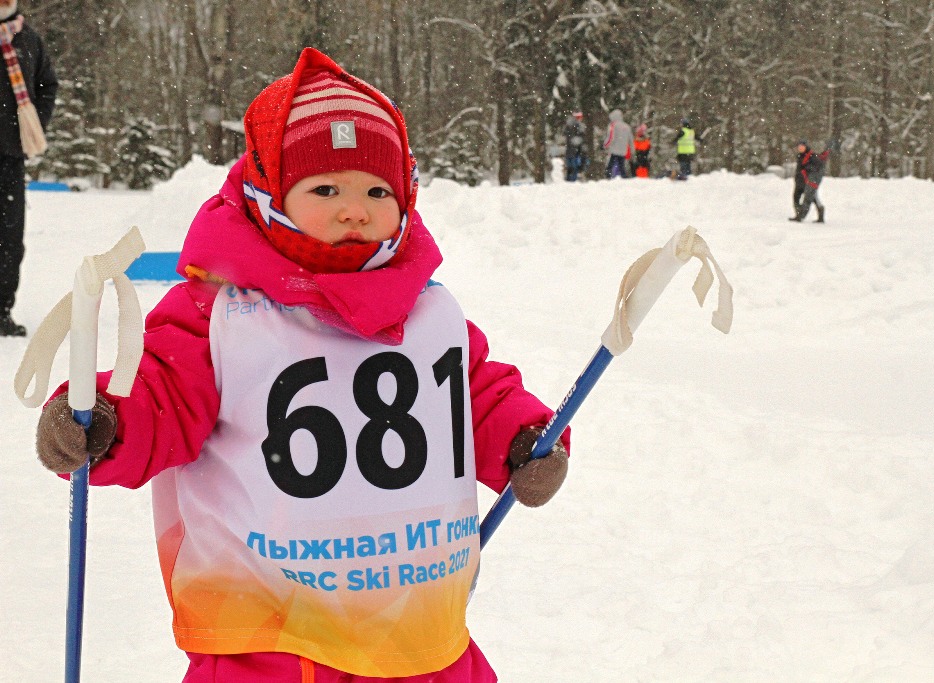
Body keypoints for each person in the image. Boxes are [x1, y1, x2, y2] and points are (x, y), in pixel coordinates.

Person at [34, 48, 569, 683]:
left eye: (378, 191)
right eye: (325, 190)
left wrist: (522, 439)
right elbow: (163, 393)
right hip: (269, 635)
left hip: (418, 630)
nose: (355, 209)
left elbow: (471, 393)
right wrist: (105, 420)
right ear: (268, 196)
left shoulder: (428, 311)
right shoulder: (220, 312)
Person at [0, 0, 57, 337]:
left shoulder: (28, 39)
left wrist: (34, 124)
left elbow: (47, 85)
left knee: (9, 240)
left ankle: (1, 311)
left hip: (10, 156)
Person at [790, 139, 836, 223]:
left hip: (808, 181)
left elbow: (817, 167)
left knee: (810, 198)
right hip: (800, 181)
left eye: (802, 146)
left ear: (806, 146)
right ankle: (799, 214)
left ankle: (801, 216)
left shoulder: (811, 156)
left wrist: (807, 170)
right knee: (797, 197)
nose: (800, 148)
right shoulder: (800, 156)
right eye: (799, 146)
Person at [603, 108, 633, 179]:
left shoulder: (613, 125)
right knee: (622, 166)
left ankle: (608, 177)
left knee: (610, 165)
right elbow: (631, 140)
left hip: (614, 150)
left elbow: (611, 137)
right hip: (623, 150)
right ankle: (624, 178)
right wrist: (632, 150)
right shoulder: (627, 126)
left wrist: (605, 145)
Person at [563, 110, 587, 182]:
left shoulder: (568, 125)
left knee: (570, 167)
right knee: (574, 167)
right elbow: (577, 139)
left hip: (570, 150)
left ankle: (569, 180)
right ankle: (573, 181)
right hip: (575, 151)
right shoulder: (577, 126)